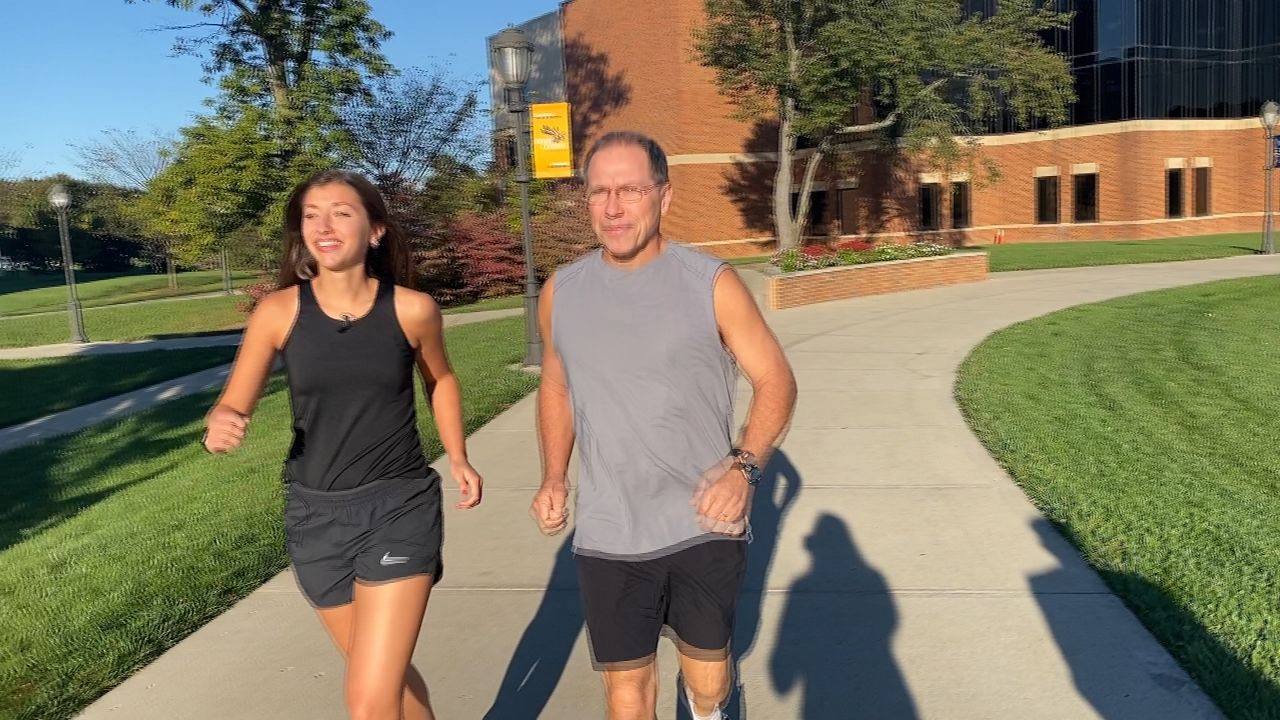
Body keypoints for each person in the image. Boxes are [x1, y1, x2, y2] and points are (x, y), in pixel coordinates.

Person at [530, 131, 797, 720]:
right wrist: (554, 476)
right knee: (626, 699)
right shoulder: (562, 292)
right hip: (609, 529)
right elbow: (557, 385)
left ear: (664, 197)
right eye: (599, 192)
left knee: (707, 685)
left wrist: (745, 469)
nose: (614, 207)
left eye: (630, 189)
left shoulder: (711, 283)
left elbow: (776, 380)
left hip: (700, 520)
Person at [202, 169, 483, 720]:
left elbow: (441, 379)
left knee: (368, 703)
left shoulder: (411, 309)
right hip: (314, 516)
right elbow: (233, 402)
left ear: (375, 229)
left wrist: (459, 455)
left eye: (341, 212)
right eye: (311, 215)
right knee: (385, 680)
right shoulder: (279, 311)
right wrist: (221, 422)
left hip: (397, 506)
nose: (323, 225)